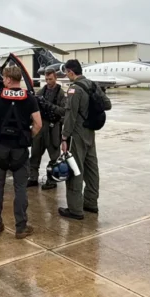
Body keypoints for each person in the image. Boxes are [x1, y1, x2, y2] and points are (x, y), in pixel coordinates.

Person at [0, 65, 41, 239]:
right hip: (20, 150)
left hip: (0, 149)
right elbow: (38, 124)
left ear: (8, 79)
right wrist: (28, 136)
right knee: (20, 187)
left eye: (4, 78)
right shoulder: (29, 98)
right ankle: (21, 227)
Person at [59, 59, 111, 220]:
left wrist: (64, 137)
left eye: (66, 73)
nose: (66, 76)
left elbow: (71, 115)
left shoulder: (74, 89)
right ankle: (91, 203)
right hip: (91, 132)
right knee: (92, 169)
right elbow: (107, 105)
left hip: (77, 134)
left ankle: (75, 209)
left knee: (75, 169)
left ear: (71, 72)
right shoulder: (93, 85)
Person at [28, 68, 67, 190]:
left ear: (55, 78)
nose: (48, 82)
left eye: (50, 79)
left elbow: (63, 111)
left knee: (54, 155)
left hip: (53, 126)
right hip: (41, 125)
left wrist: (48, 105)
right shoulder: (40, 92)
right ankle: (33, 177)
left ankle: (52, 180)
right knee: (35, 153)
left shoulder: (61, 94)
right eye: (46, 79)